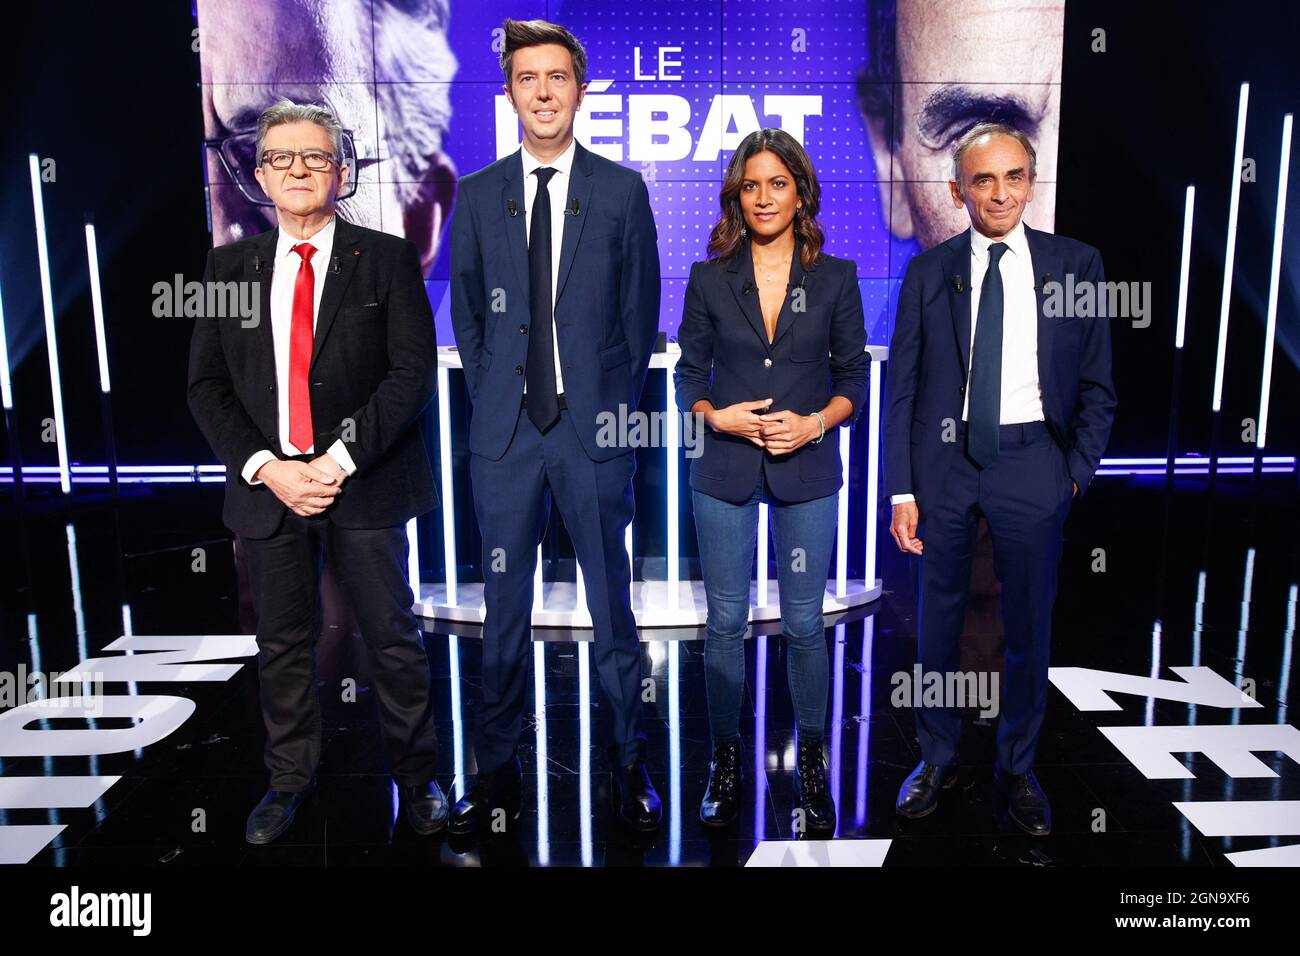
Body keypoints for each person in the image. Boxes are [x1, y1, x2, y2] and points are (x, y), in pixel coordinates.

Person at [187, 99, 446, 844]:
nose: (298, 170)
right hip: (269, 493)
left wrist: (332, 461)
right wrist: (270, 468)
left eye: (315, 157)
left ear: (341, 170)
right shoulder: (225, 267)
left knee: (391, 637)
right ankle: (288, 780)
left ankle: (420, 779)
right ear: (260, 174)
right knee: (282, 642)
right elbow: (205, 385)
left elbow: (409, 375)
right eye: (281, 158)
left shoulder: (387, 257)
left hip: (362, 482)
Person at [447, 19, 663, 835]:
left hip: (592, 434)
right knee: (502, 610)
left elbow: (639, 321)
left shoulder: (621, 191)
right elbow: (470, 318)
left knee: (614, 606)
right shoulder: (477, 193)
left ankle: (628, 762)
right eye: (527, 78)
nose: (543, 91)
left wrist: (609, 409)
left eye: (557, 78)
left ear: (579, 88)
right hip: (504, 437)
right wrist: (496, 396)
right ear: (509, 93)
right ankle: (494, 772)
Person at [884, 123, 1115, 836]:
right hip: (945, 466)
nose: (1001, 193)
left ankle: (1017, 768)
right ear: (959, 190)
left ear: (1031, 180)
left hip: (1032, 464)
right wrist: (902, 490)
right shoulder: (930, 271)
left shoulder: (1076, 265)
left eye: (1014, 176)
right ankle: (937, 756)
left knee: (1028, 628)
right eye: (983, 180)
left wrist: (1071, 477)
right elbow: (903, 388)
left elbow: (1098, 387)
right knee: (938, 627)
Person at [674, 128, 869, 836]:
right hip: (724, 466)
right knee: (724, 622)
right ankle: (725, 761)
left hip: (808, 467)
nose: (763, 197)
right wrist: (713, 416)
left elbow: (853, 380)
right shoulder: (707, 276)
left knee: (804, 622)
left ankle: (811, 763)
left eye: (777, 183)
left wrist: (816, 424)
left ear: (800, 192)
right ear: (736, 194)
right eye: (751, 185)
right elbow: (689, 377)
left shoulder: (837, 277)